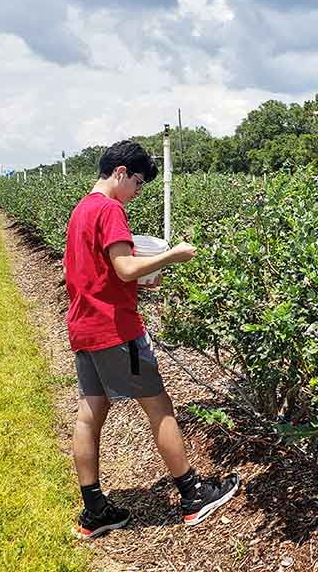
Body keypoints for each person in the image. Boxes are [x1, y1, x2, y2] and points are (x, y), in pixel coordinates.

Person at [63, 140, 239, 539]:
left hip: (84, 326)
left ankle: (95, 511)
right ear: (121, 172)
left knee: (90, 414)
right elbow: (124, 268)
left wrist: (142, 280)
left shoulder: (81, 210)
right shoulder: (109, 209)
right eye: (139, 182)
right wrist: (171, 256)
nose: (139, 192)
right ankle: (193, 494)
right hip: (115, 329)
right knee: (160, 407)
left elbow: (98, 274)